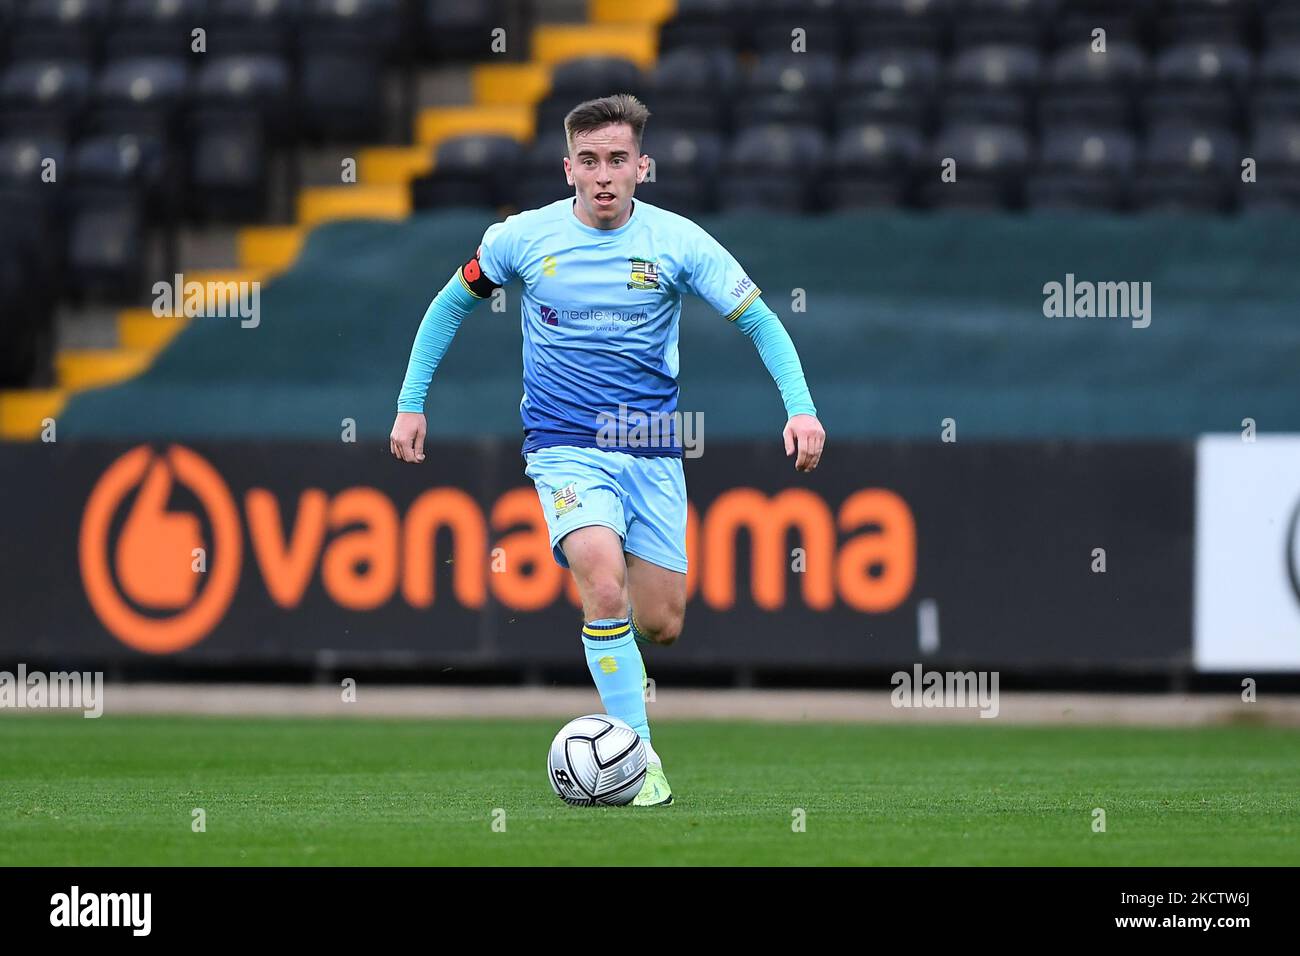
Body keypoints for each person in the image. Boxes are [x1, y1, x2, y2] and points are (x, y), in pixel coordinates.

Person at [391, 93, 825, 806]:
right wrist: (412, 403)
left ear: (642, 168)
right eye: (588, 161)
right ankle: (640, 761)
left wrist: (801, 410)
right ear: (568, 168)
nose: (603, 175)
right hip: (564, 445)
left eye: (617, 160)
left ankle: (628, 706)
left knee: (662, 622)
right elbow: (450, 304)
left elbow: (760, 322)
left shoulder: (678, 243)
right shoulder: (521, 239)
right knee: (600, 579)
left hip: (651, 445)